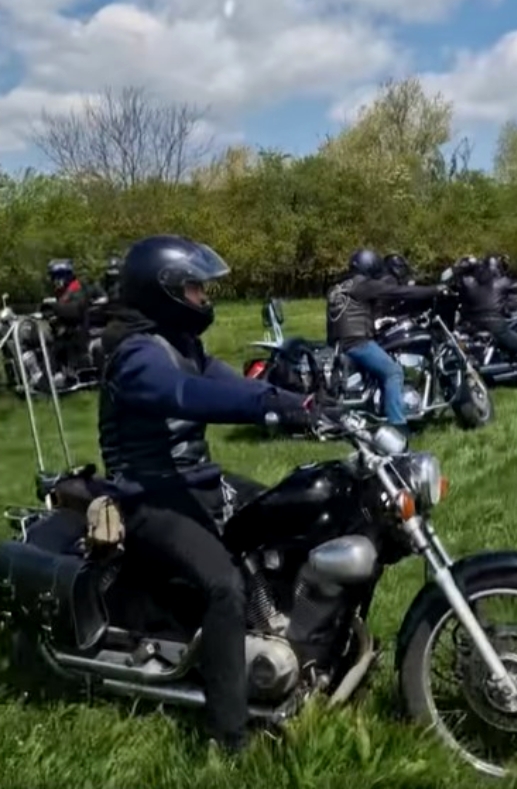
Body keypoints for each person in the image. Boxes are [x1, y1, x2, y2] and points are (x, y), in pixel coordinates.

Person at [98, 234, 316, 754]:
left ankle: (289, 641)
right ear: (165, 291)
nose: (205, 298)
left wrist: (303, 402)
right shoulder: (136, 354)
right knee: (223, 586)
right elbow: (188, 395)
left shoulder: (184, 347)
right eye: (195, 288)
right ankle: (229, 735)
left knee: (296, 515)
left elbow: (232, 384)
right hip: (148, 499)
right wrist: (267, 408)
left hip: (195, 483)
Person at [326, 249, 444, 430]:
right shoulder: (364, 284)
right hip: (357, 342)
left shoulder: (339, 286)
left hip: (338, 343)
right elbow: (399, 292)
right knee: (393, 372)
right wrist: (435, 290)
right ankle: (398, 426)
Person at [452, 255, 517, 388]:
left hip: (470, 326)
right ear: (498, 268)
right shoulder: (501, 281)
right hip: (495, 326)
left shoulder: (468, 282)